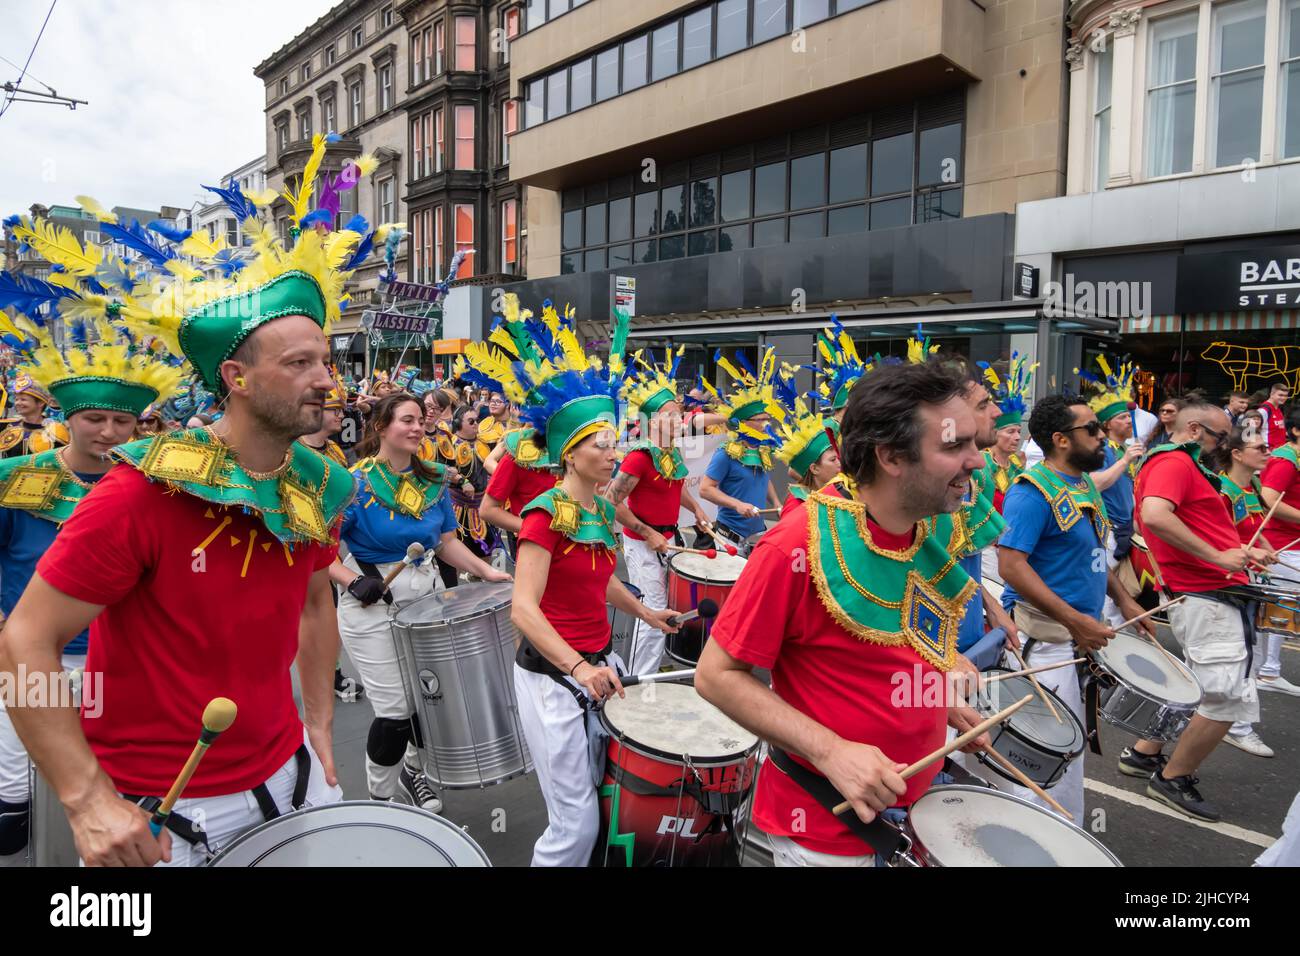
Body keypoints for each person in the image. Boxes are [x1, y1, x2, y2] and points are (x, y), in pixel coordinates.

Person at [0, 145, 372, 865]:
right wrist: (85, 799)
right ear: (235, 376)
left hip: (293, 776)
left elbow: (315, 607)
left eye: (326, 360)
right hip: (161, 809)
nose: (327, 379)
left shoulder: (324, 483)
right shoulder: (138, 493)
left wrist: (319, 724)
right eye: (299, 363)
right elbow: (25, 642)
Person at [696, 360, 994, 866]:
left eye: (972, 443)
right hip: (828, 835)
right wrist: (832, 751)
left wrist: (936, 694)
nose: (977, 462)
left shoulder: (929, 529)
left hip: (922, 812)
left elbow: (886, 655)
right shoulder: (794, 546)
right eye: (953, 446)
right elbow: (717, 676)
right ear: (891, 457)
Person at [500, 300, 681, 866]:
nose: (614, 452)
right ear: (569, 454)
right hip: (555, 677)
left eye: (615, 441)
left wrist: (651, 616)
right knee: (574, 826)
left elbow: (600, 583)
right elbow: (523, 610)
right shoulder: (542, 513)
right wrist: (577, 668)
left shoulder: (601, 512)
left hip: (601, 667)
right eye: (601, 444)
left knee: (607, 806)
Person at [0, 322, 183, 864]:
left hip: (117, 665)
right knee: (19, 798)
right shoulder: (14, 479)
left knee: (109, 798)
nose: (108, 432)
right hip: (34, 663)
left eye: (122, 421)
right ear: (67, 418)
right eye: (94, 419)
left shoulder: (155, 489)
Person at [329, 392, 510, 813]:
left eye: (418, 420)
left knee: (427, 703)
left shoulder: (432, 481)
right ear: (380, 427)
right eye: (405, 420)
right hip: (371, 607)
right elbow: (321, 550)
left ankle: (413, 774)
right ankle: (381, 800)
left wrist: (487, 573)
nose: (415, 427)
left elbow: (447, 544)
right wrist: (351, 579)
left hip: (425, 606)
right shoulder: (353, 483)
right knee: (395, 710)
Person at [997, 394, 1151, 821]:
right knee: (1044, 757)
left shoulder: (1083, 484)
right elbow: (1010, 566)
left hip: (1077, 638)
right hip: (1043, 644)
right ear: (1061, 439)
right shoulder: (1030, 493)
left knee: (1072, 753)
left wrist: (1123, 600)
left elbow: (1094, 554)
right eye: (1093, 430)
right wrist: (1074, 620)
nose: (1103, 436)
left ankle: (1065, 837)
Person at [1128, 399, 1276, 821]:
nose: (1223, 444)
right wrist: (1218, 557)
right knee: (1225, 697)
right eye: (1219, 436)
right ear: (1195, 430)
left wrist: (1238, 552)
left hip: (1208, 591)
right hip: (1205, 594)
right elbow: (1154, 517)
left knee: (1198, 684)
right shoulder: (1174, 462)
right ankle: (1172, 778)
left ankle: (1145, 753)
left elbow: (1189, 523)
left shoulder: (1185, 466)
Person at [605, 346, 713, 675]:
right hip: (642, 543)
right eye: (670, 415)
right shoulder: (640, 456)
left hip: (668, 538)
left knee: (665, 606)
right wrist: (648, 533)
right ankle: (640, 680)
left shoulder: (672, 454)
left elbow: (676, 487)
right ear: (652, 421)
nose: (678, 419)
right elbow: (611, 500)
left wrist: (696, 509)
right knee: (651, 610)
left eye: (678, 413)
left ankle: (651, 668)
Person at [1211, 426, 1275, 758]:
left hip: (1249, 575)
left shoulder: (1252, 487)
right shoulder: (1221, 490)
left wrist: (1266, 551)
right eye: (1261, 447)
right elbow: (1215, 539)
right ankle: (1238, 726)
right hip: (1226, 580)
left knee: (1253, 655)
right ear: (1237, 454)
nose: (1268, 452)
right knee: (1245, 656)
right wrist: (1247, 552)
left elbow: (1254, 527)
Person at [1078, 359, 1146, 628]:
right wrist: (1125, 461)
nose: (1128, 420)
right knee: (1103, 590)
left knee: (1122, 591)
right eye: (1121, 417)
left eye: (1129, 416)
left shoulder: (1120, 451)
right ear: (1107, 423)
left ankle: (1118, 639)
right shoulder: (1104, 451)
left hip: (1126, 529)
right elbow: (1094, 483)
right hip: (1106, 531)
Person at [699, 348, 783, 545]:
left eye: (768, 419)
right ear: (745, 423)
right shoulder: (726, 452)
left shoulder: (763, 448)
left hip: (758, 536)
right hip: (730, 538)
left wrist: (778, 503)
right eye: (760, 420)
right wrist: (736, 505)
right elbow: (705, 489)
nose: (766, 425)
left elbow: (764, 479)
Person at [1250, 404, 1300, 696]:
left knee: (1283, 607)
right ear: (1295, 430)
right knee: (1278, 607)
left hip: (1290, 544)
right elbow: (1269, 499)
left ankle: (1269, 670)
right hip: (1280, 547)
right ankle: (1265, 672)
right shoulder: (1286, 461)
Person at [435, 403, 499, 588]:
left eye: (477, 420)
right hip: (458, 510)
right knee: (454, 553)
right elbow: (443, 472)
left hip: (482, 507)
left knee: (485, 551)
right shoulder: (449, 445)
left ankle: (481, 585)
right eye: (471, 421)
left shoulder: (486, 443)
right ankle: (453, 592)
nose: (476, 424)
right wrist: (461, 481)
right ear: (457, 423)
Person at [979, 352, 1034, 517]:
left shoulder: (1015, 464)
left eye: (1018, 431)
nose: (1017, 437)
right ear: (994, 432)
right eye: (1010, 432)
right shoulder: (982, 465)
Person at [0, 373, 69, 459]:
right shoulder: (8, 426)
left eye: (23, 399)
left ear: (40, 403)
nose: (17, 403)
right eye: (16, 399)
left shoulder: (57, 431)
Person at [1257, 380, 1290, 450]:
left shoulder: (1278, 409)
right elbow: (1249, 431)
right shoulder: (1264, 410)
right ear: (1271, 394)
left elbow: (1278, 429)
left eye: (1285, 396)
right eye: (1280, 395)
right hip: (1268, 452)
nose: (1283, 398)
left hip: (1279, 451)